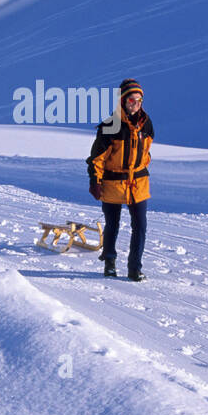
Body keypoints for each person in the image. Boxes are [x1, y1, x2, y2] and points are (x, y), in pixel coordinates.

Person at [86, 78, 153, 281]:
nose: (136, 104)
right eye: (132, 100)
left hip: (138, 184)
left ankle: (134, 269)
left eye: (139, 100)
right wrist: (95, 181)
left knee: (140, 226)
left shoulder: (146, 123)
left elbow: (147, 151)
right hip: (113, 183)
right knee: (112, 224)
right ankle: (109, 262)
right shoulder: (110, 125)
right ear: (123, 101)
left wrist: (142, 165)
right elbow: (96, 159)